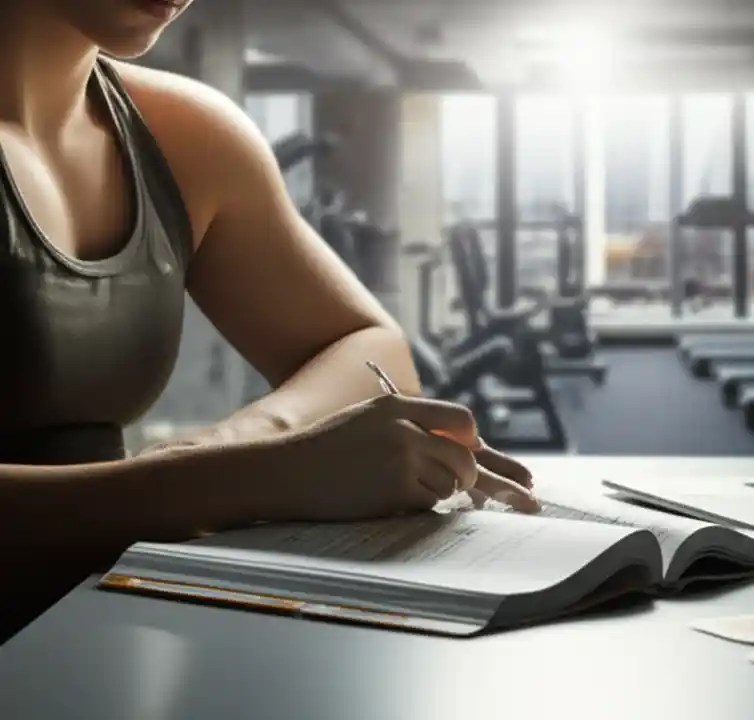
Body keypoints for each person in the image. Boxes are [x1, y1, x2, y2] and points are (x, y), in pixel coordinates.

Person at [0, 0, 539, 643]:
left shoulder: (187, 133)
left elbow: (371, 349)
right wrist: (250, 480)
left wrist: (248, 444)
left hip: (92, 638)